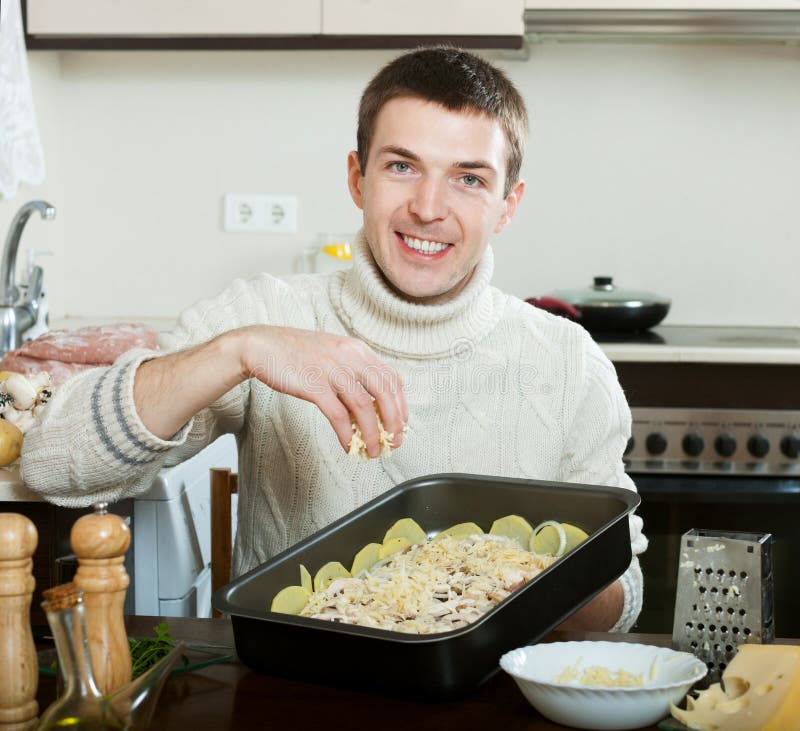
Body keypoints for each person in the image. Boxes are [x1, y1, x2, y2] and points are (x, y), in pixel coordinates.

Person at [22, 46, 647, 631]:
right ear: (358, 179)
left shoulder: (569, 364)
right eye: (402, 167)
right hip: (299, 688)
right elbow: (54, 464)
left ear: (507, 204)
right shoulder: (266, 313)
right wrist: (237, 350)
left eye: (469, 179)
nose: (428, 208)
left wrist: (541, 581)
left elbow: (622, 602)